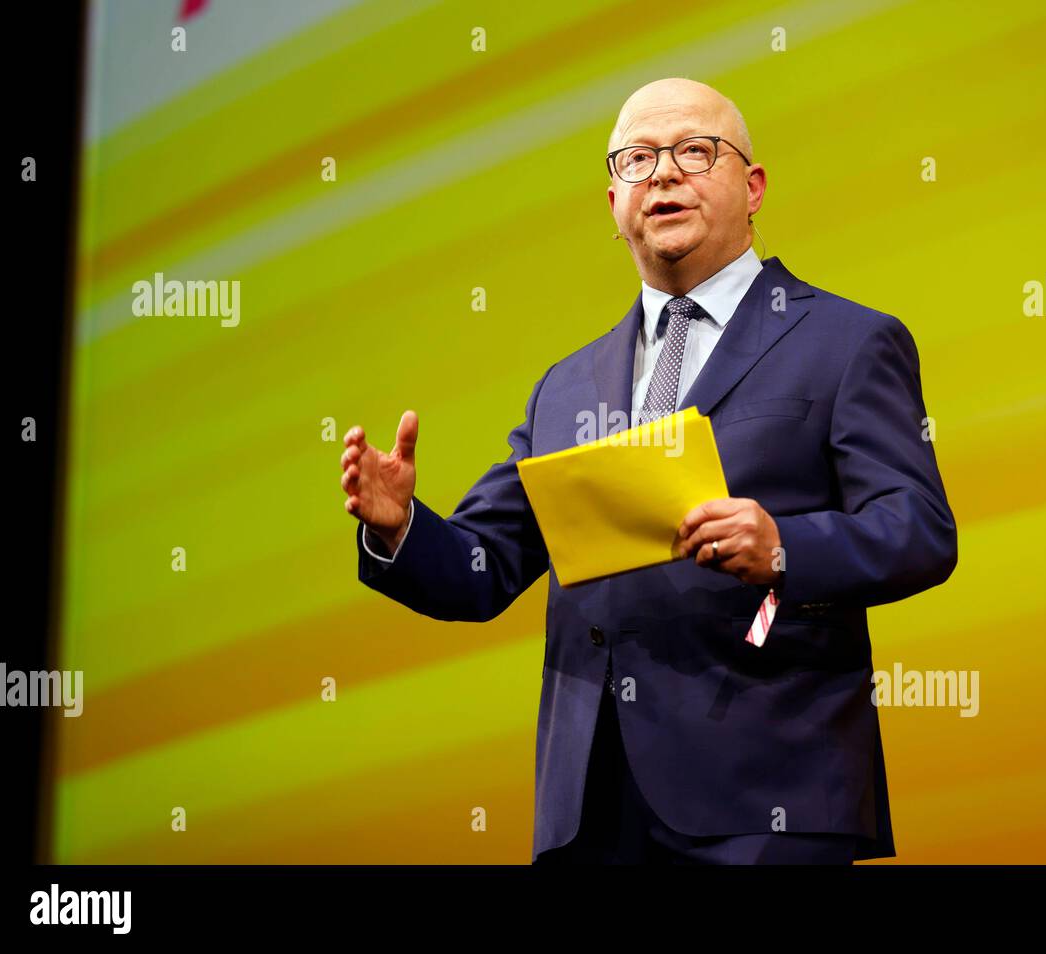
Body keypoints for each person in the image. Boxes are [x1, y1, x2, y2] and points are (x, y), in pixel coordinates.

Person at [339, 77, 957, 864]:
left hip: (766, 799)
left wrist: (784, 549)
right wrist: (401, 528)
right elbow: (482, 571)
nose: (663, 174)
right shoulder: (566, 385)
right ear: (613, 204)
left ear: (754, 186)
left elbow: (919, 531)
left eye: (695, 151)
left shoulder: (845, 341)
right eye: (637, 159)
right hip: (592, 809)